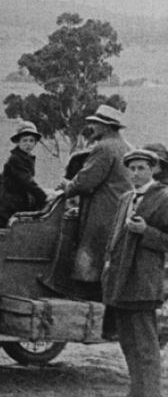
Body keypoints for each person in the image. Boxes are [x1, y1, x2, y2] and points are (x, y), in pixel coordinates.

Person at [101, 148, 168, 397]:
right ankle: (136, 396)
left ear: (153, 170)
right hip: (120, 280)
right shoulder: (126, 197)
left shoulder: (163, 198)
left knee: (146, 345)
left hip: (143, 281)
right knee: (128, 342)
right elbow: (115, 236)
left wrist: (146, 232)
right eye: (132, 168)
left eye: (142, 168)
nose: (136, 173)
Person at [57, 104, 132, 284]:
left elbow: (85, 181)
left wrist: (66, 187)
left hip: (102, 213)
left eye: (96, 124)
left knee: (92, 263)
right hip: (119, 211)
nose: (92, 127)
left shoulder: (104, 147)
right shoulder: (126, 147)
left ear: (106, 126)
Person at [0, 122, 47, 228]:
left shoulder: (26, 157)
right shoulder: (15, 159)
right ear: (18, 142)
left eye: (31, 141)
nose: (28, 144)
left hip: (17, 203)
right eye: (24, 140)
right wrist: (44, 196)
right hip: (8, 206)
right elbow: (27, 181)